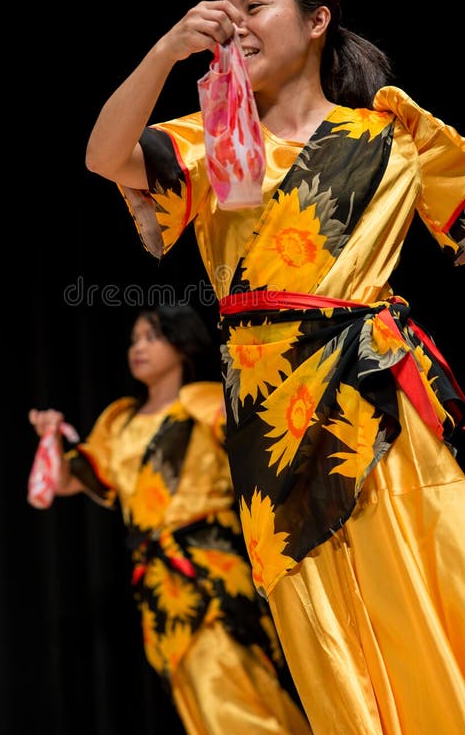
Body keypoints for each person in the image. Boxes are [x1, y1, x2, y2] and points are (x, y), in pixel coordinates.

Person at [84, 0, 465, 734]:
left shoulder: (393, 136)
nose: (234, 24)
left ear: (317, 19)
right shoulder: (211, 142)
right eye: (224, 13)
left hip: (373, 398)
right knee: (320, 625)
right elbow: (104, 156)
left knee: (428, 593)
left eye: (253, 6)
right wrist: (165, 51)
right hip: (268, 419)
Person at [28, 303, 310, 735]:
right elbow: (69, 480)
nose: (137, 348)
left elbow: (265, 451)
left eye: (151, 337)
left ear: (182, 345)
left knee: (230, 688)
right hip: (158, 581)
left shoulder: (207, 402)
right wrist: (50, 436)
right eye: (133, 340)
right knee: (197, 700)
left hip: (210, 570)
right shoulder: (119, 423)